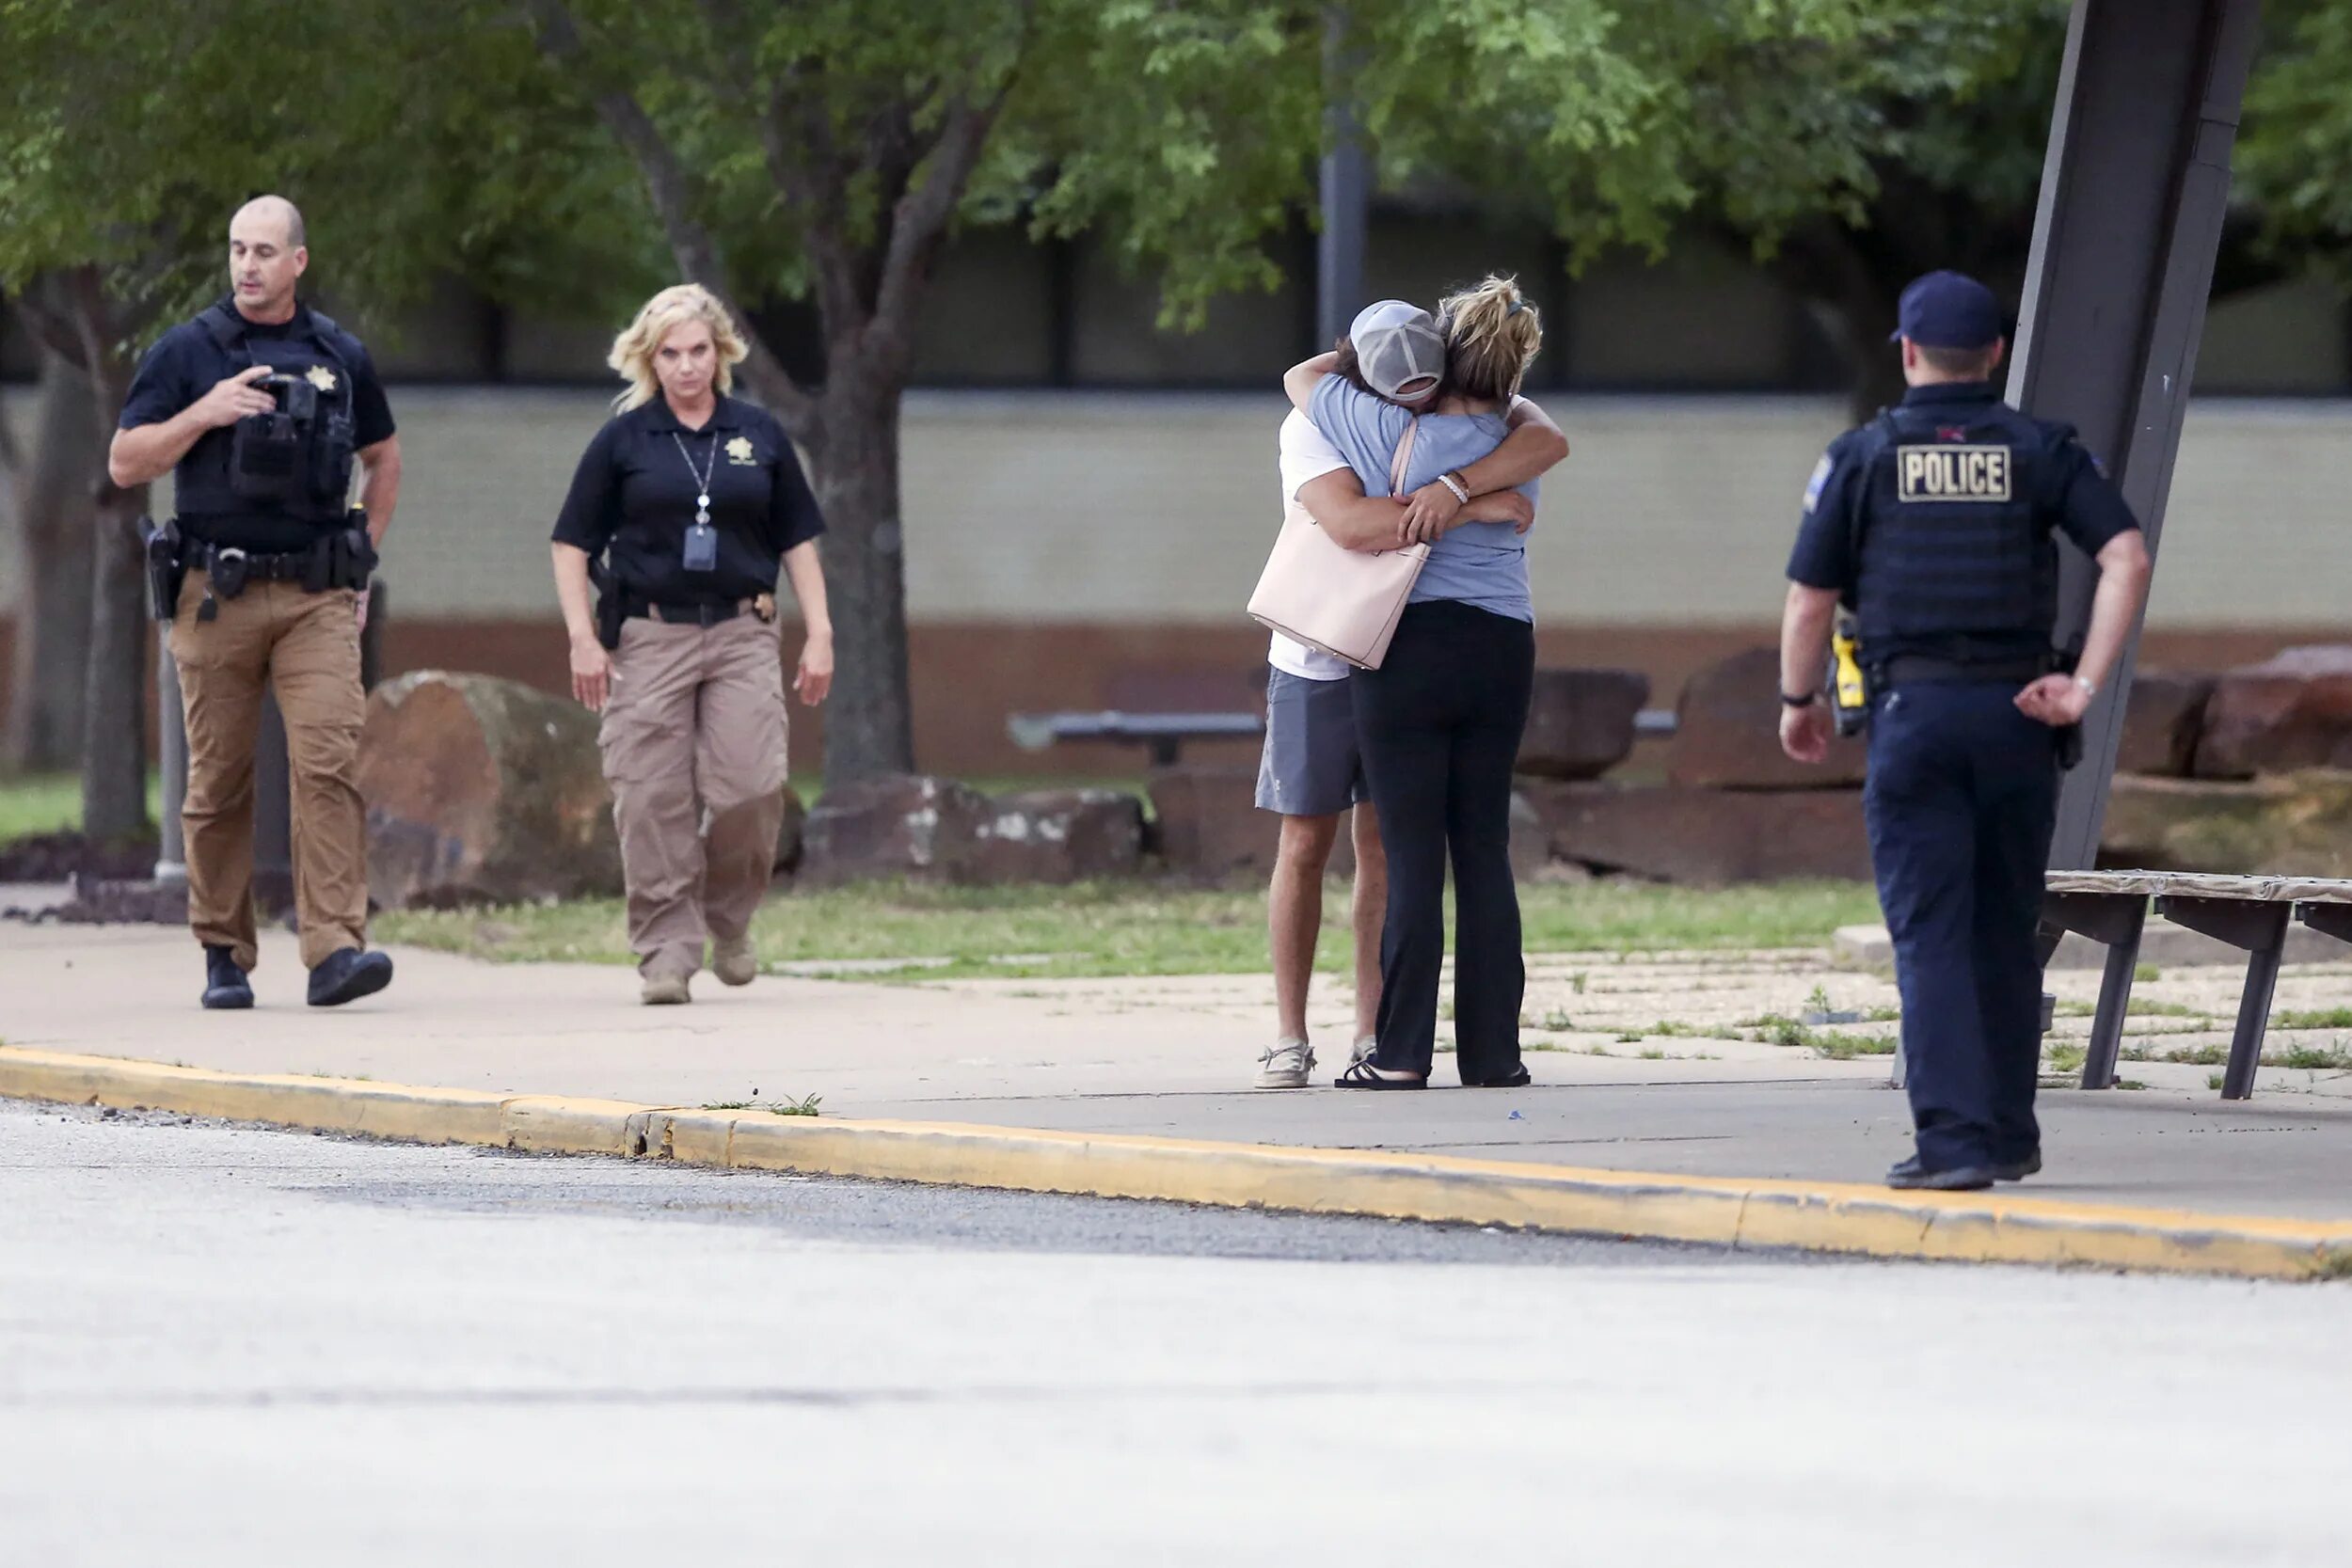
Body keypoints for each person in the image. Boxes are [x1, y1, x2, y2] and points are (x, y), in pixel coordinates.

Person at [1777, 269, 2151, 1191]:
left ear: (1906, 353)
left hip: (1913, 718)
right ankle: (2008, 1133)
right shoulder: (2039, 446)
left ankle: (1950, 1142)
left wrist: (1799, 701)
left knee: (1931, 934)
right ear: (1993, 354)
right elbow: (2125, 553)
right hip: (2019, 717)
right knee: (2001, 928)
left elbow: (1808, 599)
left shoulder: (1860, 456)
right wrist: (2082, 683)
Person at [1253, 302, 1564, 1088]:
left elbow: (1300, 378)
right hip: (1445, 645)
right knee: (1475, 850)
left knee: (1407, 853)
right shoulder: (1503, 432)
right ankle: (1490, 1056)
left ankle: (1392, 1050)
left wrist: (1448, 492)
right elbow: (1356, 525)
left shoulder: (1363, 417)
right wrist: (1473, 497)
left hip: (1408, 649)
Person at [108, 196, 402, 1011]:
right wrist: (205, 412)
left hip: (316, 595)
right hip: (216, 594)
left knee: (329, 765)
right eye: (238, 249)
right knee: (219, 779)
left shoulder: (338, 352)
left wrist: (361, 559)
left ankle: (336, 950)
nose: (247, 265)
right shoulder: (188, 351)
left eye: (265, 251)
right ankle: (223, 952)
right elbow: (127, 460)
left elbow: (384, 457)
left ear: (298, 261)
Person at [550, 284, 832, 1006]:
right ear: (651, 359)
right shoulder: (625, 439)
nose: (686, 366)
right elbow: (571, 543)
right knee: (650, 797)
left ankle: (729, 920)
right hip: (649, 634)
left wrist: (820, 631)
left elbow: (798, 537)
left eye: (698, 351)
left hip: (743, 629)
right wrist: (583, 638)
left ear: (721, 352)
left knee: (751, 786)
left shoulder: (758, 434)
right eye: (671, 353)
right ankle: (666, 951)